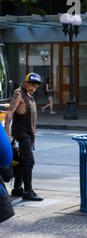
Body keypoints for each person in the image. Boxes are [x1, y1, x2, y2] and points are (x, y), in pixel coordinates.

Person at [3, 73, 44, 201]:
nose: (33, 88)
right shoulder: (19, 93)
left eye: (36, 86)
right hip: (22, 134)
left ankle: (17, 188)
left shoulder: (29, 95)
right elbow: (9, 113)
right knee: (29, 161)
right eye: (31, 85)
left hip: (28, 135)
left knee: (21, 162)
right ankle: (28, 191)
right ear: (25, 83)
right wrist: (6, 133)